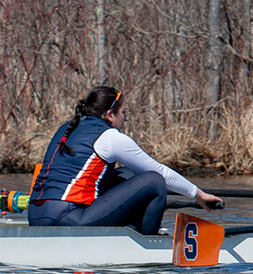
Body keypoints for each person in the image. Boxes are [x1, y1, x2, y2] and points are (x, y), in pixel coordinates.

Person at [28, 86, 223, 235]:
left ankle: (128, 230)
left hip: (36, 216)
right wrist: (199, 195)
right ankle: (146, 243)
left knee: (126, 175)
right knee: (154, 181)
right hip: (68, 218)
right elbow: (160, 173)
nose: (126, 118)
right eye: (124, 112)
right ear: (110, 115)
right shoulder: (110, 137)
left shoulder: (67, 127)